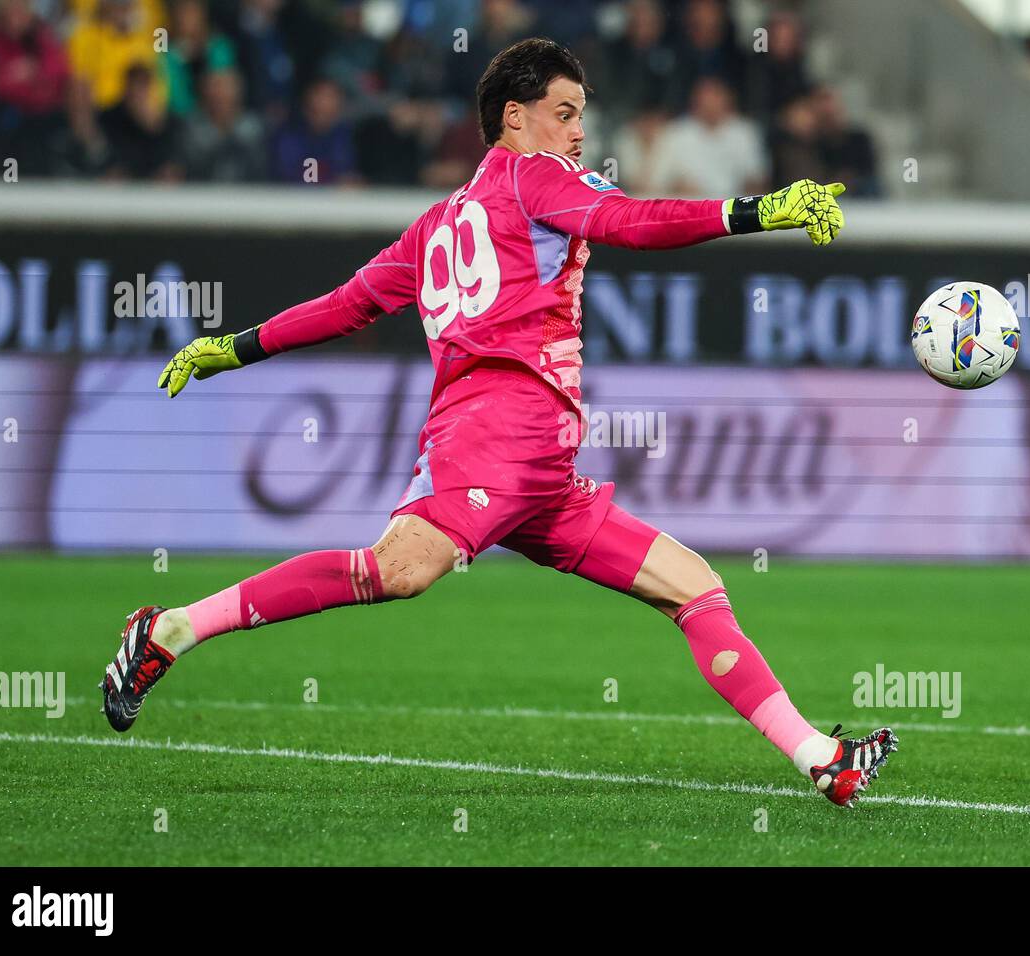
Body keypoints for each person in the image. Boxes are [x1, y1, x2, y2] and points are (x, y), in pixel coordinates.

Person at [99, 39, 896, 807]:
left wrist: (232, 348)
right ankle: (171, 628)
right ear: (515, 118)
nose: (580, 131)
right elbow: (634, 222)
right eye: (566, 111)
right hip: (498, 434)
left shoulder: (437, 222)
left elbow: (346, 306)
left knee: (694, 587)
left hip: (540, 466)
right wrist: (757, 211)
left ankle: (822, 759)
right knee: (398, 571)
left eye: (583, 115)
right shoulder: (535, 176)